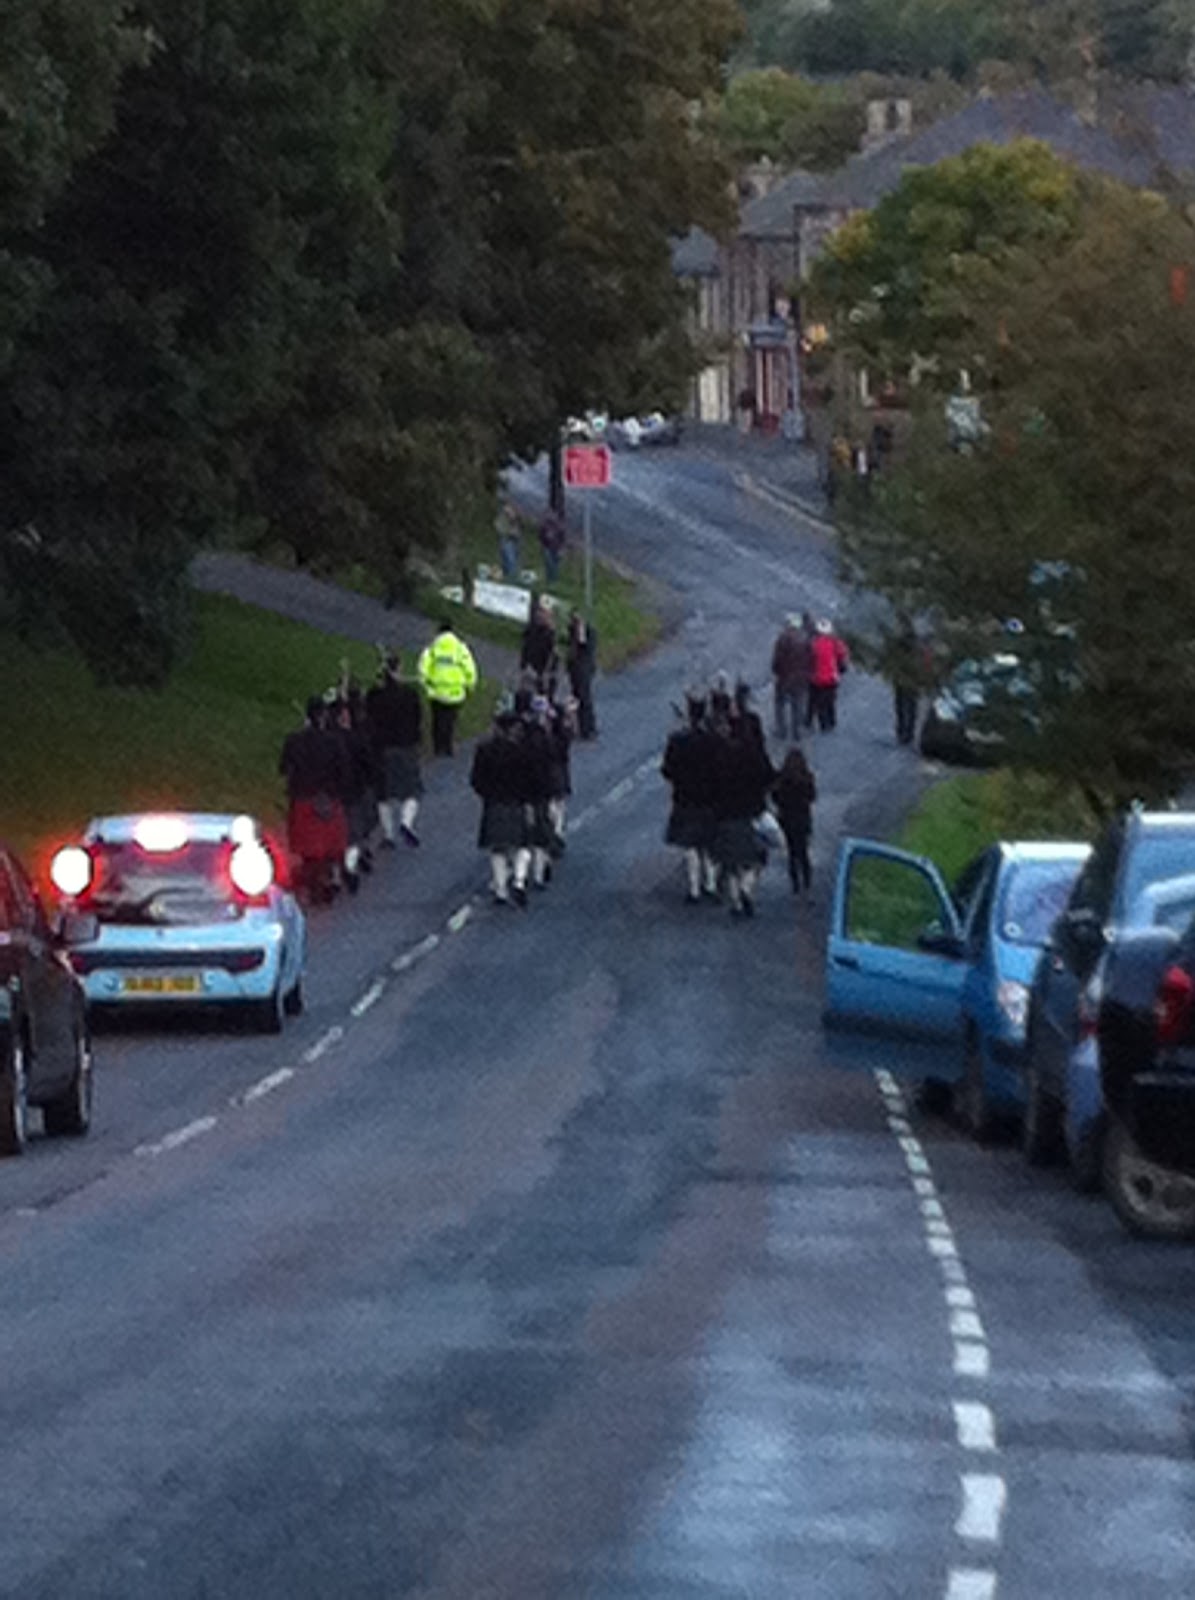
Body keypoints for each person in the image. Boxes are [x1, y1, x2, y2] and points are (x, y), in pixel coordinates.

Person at [278, 698, 352, 904]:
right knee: (330, 846)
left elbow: (283, 768)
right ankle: (326, 879)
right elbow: (344, 771)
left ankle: (311, 879)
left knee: (307, 847)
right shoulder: (334, 741)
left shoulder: (294, 740)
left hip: (302, 798)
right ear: (323, 716)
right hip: (328, 800)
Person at [711, 713, 775, 918]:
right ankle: (747, 888)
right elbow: (770, 778)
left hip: (726, 816)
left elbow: (712, 784)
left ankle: (736, 903)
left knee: (731, 863)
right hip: (753, 814)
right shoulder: (756, 755)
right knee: (756, 859)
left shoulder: (721, 755)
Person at [470, 712, 534, 907]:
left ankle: (500, 890)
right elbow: (529, 780)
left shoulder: (484, 750)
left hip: (493, 803)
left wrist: (486, 795)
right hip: (516, 802)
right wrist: (527, 800)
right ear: (513, 729)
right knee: (522, 846)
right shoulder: (521, 751)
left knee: (498, 848)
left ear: (497, 728)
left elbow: (476, 780)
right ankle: (519, 881)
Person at [662, 693, 720, 903]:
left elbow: (667, 770)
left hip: (684, 798)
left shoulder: (677, 741)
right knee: (709, 844)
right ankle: (711, 884)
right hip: (710, 799)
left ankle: (694, 889)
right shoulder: (713, 741)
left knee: (690, 847)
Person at [366, 652, 424, 848]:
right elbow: (418, 721)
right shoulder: (410, 695)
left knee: (383, 794)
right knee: (412, 791)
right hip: (406, 747)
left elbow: (368, 717)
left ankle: (388, 835)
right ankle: (406, 823)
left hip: (382, 749)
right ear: (399, 668)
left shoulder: (375, 696)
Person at [418, 618, 478, 757]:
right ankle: (448, 747)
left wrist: (425, 682)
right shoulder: (460, 648)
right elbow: (470, 668)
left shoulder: (433, 647)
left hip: (436, 692)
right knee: (450, 721)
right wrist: (470, 685)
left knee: (437, 720)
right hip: (455, 693)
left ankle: (437, 747)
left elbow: (423, 667)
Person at [773, 746, 817, 894]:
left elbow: (776, 797)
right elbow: (812, 796)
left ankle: (795, 884)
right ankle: (807, 882)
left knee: (792, 852)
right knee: (803, 851)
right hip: (802, 817)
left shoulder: (781, 778)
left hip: (786, 818)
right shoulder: (807, 777)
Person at [885, 617, 931, 747]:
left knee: (900, 704)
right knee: (912, 705)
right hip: (914, 679)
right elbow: (926, 662)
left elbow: (892, 659)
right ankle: (909, 732)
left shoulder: (898, 644)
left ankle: (901, 730)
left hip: (901, 678)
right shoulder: (920, 646)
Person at [770, 615, 810, 742]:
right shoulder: (806, 640)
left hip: (785, 678)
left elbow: (777, 660)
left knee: (779, 704)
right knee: (798, 705)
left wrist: (777, 671)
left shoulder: (782, 639)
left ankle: (781, 730)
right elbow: (811, 659)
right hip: (801, 679)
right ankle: (797, 732)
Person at [806, 618, 849, 733]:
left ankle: (822, 724)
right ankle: (832, 722)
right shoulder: (835, 643)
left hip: (817, 678)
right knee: (830, 700)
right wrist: (841, 669)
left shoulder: (813, 644)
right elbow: (842, 656)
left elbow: (808, 659)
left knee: (819, 702)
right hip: (831, 678)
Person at [566, 610, 598, 740]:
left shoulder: (588, 632)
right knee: (576, 698)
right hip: (575, 669)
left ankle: (589, 728)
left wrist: (580, 634)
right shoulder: (571, 631)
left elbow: (585, 647)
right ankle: (577, 726)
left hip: (583, 669)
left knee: (585, 698)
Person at [520, 600, 558, 690]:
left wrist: (545, 673)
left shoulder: (550, 634)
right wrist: (524, 664)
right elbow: (525, 645)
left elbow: (552, 655)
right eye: (539, 611)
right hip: (529, 666)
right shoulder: (532, 628)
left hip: (541, 671)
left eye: (543, 613)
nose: (539, 615)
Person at [538, 508, 566, 584]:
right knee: (549, 564)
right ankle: (549, 580)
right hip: (547, 547)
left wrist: (562, 549)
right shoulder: (544, 525)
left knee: (555, 565)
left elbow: (562, 538)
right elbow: (541, 536)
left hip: (556, 548)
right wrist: (542, 545)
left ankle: (554, 580)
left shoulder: (559, 526)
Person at [497, 500, 521, 580]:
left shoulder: (515, 519)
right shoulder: (502, 518)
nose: (510, 511)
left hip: (514, 541)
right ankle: (509, 576)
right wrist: (510, 532)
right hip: (506, 540)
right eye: (508, 508)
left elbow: (517, 530)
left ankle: (511, 576)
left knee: (513, 559)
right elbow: (500, 528)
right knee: (508, 559)